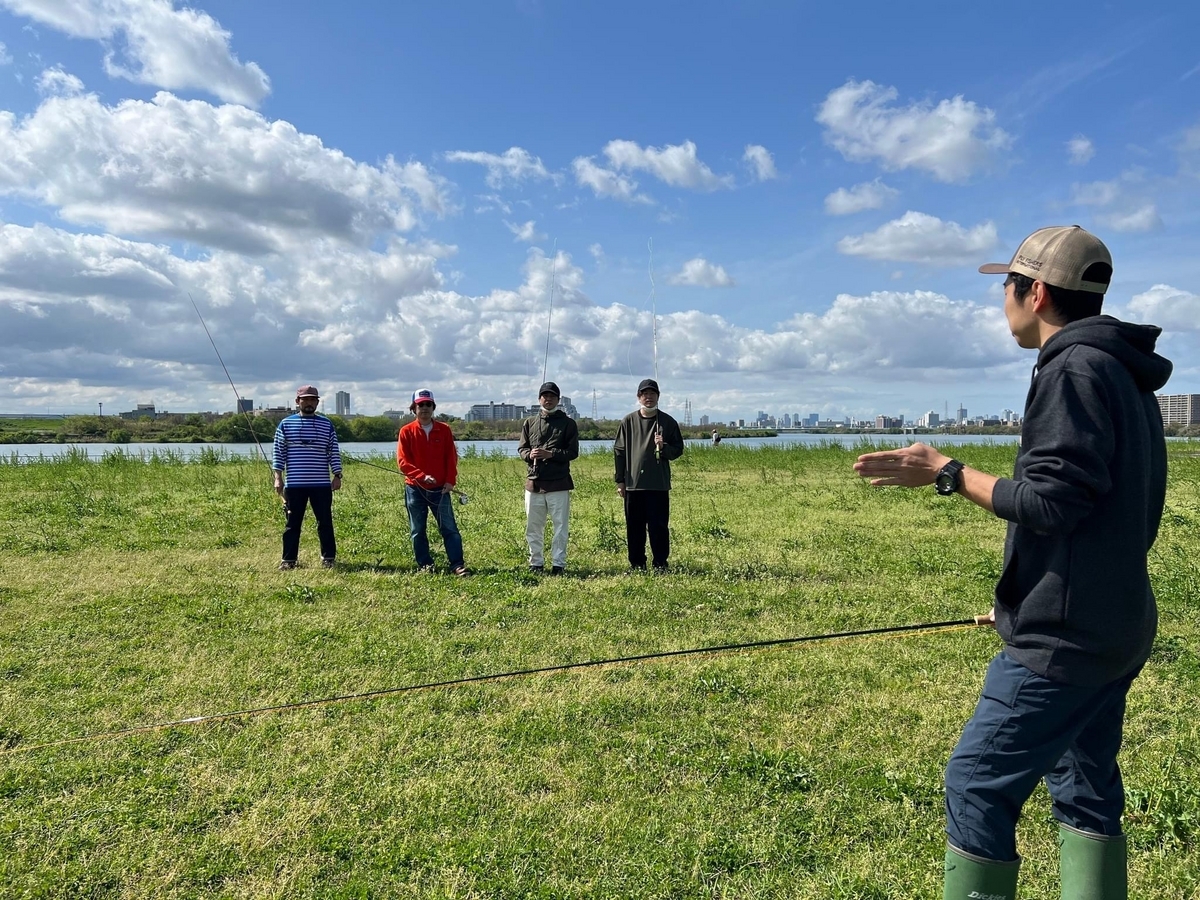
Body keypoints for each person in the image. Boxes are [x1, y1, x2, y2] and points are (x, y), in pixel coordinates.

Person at [853, 226, 1171, 900]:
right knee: (1084, 786)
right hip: (1114, 624)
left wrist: (945, 471)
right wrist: (1021, 599)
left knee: (974, 782)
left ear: (1037, 291)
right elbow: (1105, 510)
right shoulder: (1118, 371)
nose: (1002, 299)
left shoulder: (1074, 369)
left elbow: (1053, 504)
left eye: (1006, 284)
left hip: (1066, 640)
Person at [396, 388, 470, 576]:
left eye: (428, 404)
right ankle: (425, 565)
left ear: (433, 407)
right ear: (414, 408)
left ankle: (457, 564)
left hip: (441, 490)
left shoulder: (444, 430)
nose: (424, 408)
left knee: (449, 528)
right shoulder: (406, 432)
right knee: (417, 530)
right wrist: (421, 476)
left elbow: (451, 458)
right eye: (420, 405)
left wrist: (450, 481)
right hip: (415, 489)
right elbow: (403, 462)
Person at [613, 378, 685, 572]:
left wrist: (664, 447)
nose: (649, 398)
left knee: (659, 527)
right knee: (634, 528)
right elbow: (619, 452)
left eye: (652, 394)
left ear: (658, 397)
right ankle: (637, 564)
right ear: (639, 397)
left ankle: (660, 563)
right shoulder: (628, 421)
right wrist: (620, 480)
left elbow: (678, 450)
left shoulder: (668, 422)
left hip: (658, 484)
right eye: (645, 394)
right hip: (633, 484)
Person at [272, 384, 342, 570]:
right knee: (292, 523)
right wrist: (278, 477)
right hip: (295, 484)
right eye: (306, 399)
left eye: (313, 399)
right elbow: (279, 452)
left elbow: (333, 451)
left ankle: (328, 558)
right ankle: (288, 560)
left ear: (317, 403)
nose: (309, 402)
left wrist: (337, 475)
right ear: (298, 402)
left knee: (325, 522)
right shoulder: (286, 424)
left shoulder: (326, 424)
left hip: (321, 484)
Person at [518, 381, 579, 575]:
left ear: (558, 400)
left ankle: (558, 564)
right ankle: (535, 562)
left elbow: (573, 452)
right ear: (539, 399)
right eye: (545, 396)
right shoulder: (529, 422)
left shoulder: (569, 423)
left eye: (552, 396)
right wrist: (530, 455)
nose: (548, 399)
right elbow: (522, 449)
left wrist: (550, 454)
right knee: (533, 526)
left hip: (559, 483)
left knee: (560, 526)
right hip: (534, 482)